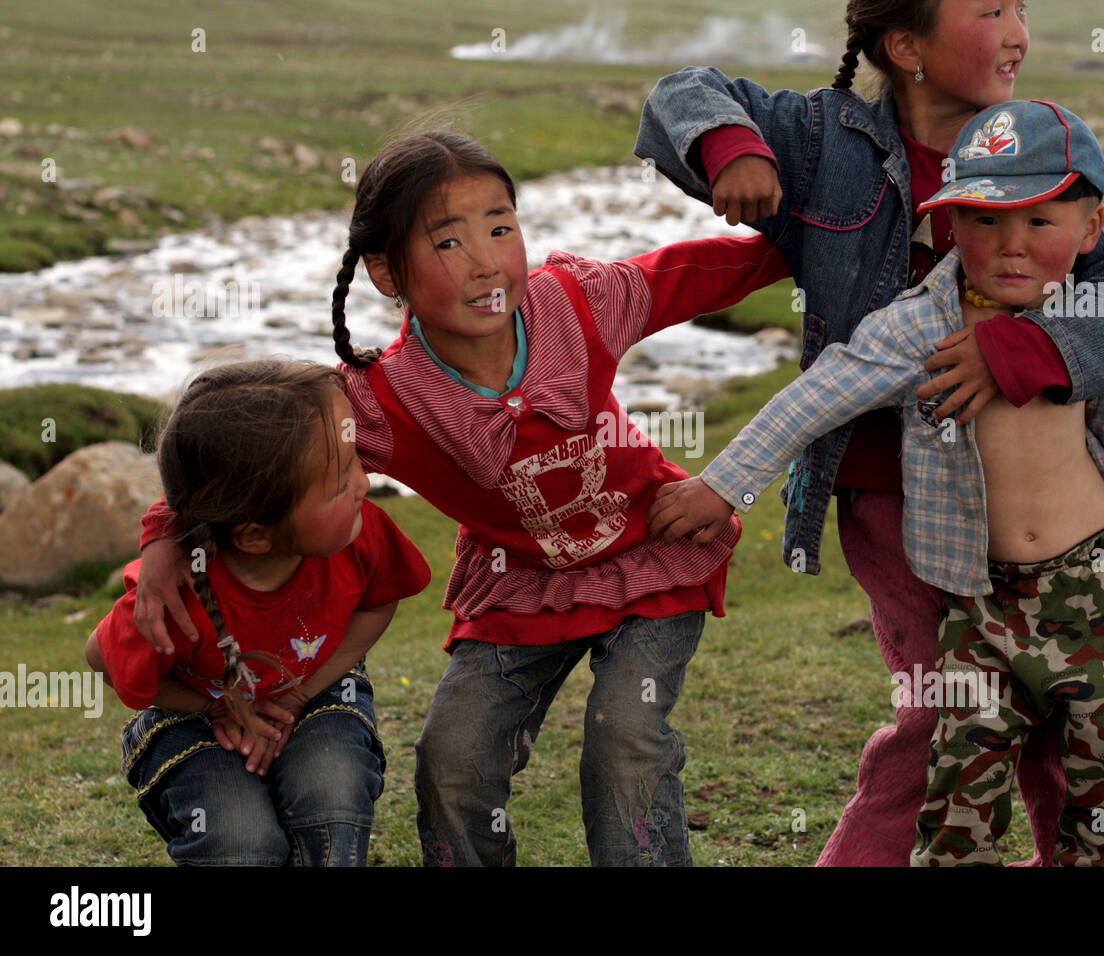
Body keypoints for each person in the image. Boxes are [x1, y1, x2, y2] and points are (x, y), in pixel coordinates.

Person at [635, 0, 1104, 865]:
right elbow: (683, 92)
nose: (1016, 27)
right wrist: (730, 147)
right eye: (990, 6)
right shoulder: (825, 144)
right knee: (941, 723)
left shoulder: (1048, 171)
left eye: (1022, 8)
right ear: (905, 46)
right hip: (915, 515)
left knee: (1055, 736)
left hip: (1066, 557)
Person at [129, 130, 792, 866]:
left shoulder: (578, 306)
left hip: (652, 558)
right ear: (387, 273)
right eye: (448, 243)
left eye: (501, 227)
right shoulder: (379, 399)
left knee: (623, 741)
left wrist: (813, 242)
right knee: (451, 760)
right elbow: (246, 447)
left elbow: (694, 274)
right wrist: (164, 535)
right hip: (520, 590)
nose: (486, 260)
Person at [86, 360, 432, 866]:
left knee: (331, 794)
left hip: (315, 690)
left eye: (356, 459)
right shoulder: (176, 592)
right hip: (194, 718)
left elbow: (381, 600)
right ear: (252, 535)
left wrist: (300, 694)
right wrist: (217, 708)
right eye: (339, 484)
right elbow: (102, 659)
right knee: (239, 838)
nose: (363, 484)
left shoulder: (361, 537)